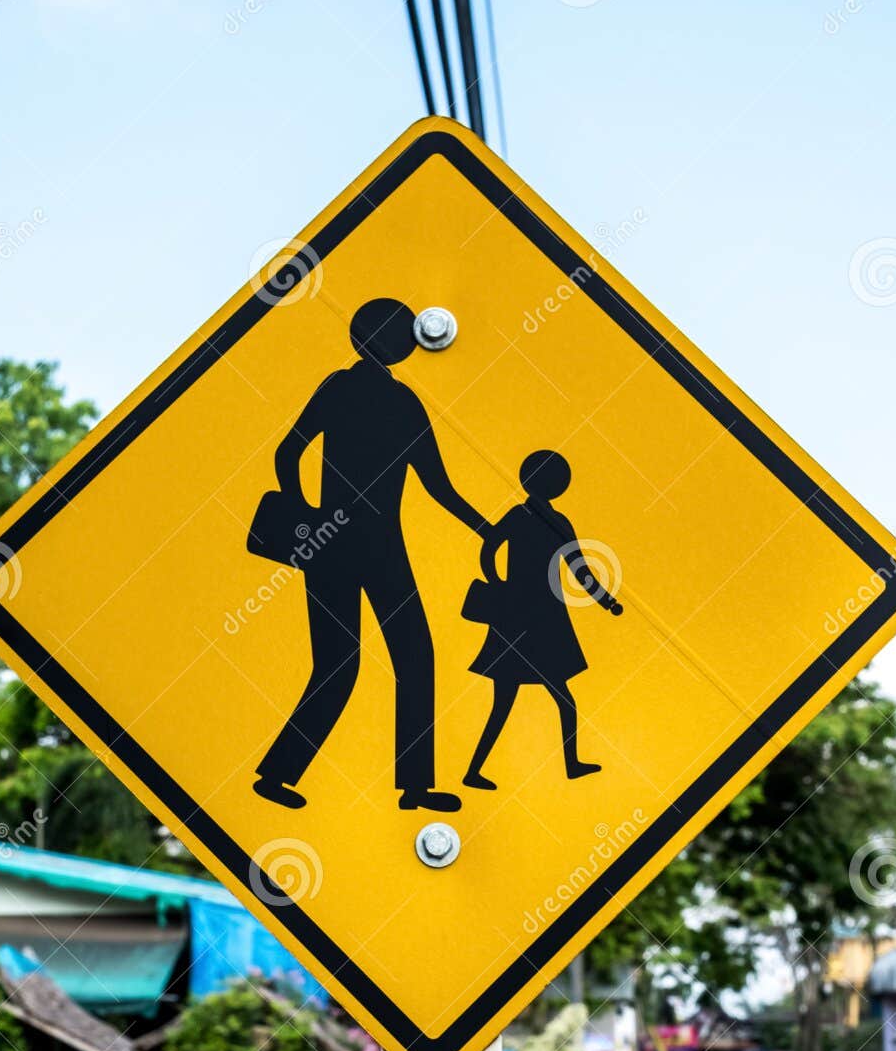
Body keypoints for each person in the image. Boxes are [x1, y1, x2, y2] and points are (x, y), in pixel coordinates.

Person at [253, 297, 486, 811]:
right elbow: (439, 487)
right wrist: (485, 528)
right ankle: (414, 787)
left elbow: (288, 452)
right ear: (403, 344)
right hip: (375, 546)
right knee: (409, 659)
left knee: (342, 664)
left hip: (337, 545)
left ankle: (280, 775)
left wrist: (305, 515)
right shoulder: (402, 402)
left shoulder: (351, 390)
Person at [464, 449, 622, 791]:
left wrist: (605, 601)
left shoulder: (533, 519)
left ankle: (566, 763)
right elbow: (580, 571)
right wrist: (605, 600)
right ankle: (564, 763)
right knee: (543, 700)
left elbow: (491, 548)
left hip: (533, 616)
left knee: (515, 700)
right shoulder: (544, 520)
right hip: (535, 616)